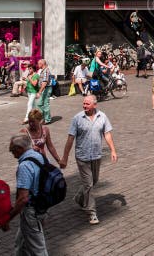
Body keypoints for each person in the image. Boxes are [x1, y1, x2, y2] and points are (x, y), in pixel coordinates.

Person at [60, 95, 118, 225]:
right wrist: (65, 157)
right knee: (89, 184)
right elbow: (70, 139)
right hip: (82, 156)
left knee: (94, 180)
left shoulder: (102, 117)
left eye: (87, 104)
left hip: (96, 155)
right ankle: (92, 212)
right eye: (84, 103)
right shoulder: (77, 118)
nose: (84, 106)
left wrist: (113, 150)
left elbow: (107, 134)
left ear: (94, 105)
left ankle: (80, 198)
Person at [8, 133, 48, 255]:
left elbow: (23, 198)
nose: (11, 152)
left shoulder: (24, 166)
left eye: (12, 149)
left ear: (20, 149)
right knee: (21, 243)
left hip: (31, 211)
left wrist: (9, 216)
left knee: (38, 249)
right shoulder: (38, 156)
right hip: (42, 206)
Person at [35, 59, 53, 125]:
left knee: (45, 104)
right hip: (44, 88)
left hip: (46, 88)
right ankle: (43, 118)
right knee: (39, 104)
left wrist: (39, 92)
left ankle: (47, 119)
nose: (37, 65)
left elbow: (45, 83)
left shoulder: (46, 71)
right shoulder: (43, 70)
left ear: (42, 64)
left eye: (38, 64)